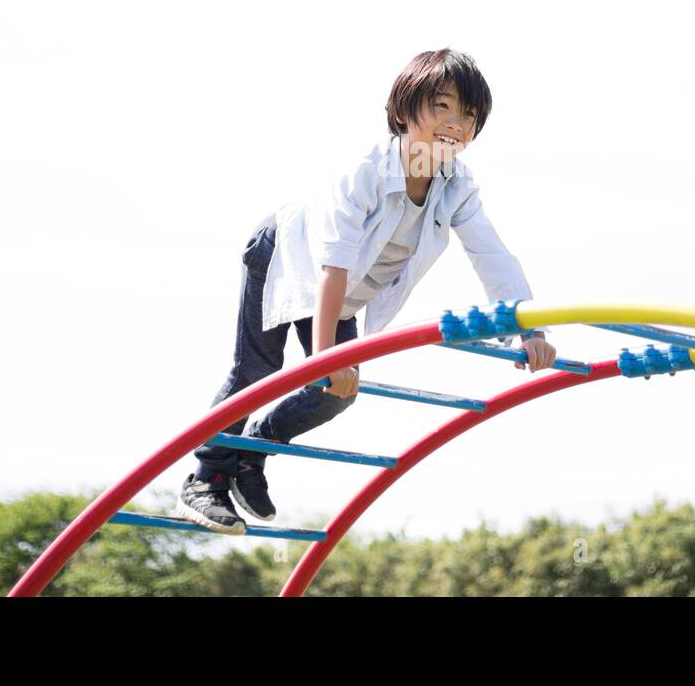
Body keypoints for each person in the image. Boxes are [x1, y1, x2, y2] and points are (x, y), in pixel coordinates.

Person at [175, 48, 557, 534]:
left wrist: (527, 330)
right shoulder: (366, 172)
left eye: (469, 116)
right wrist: (325, 359)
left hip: (344, 292)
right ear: (403, 110)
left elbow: (493, 257)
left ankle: (254, 450)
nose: (456, 124)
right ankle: (205, 478)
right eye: (442, 107)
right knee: (259, 370)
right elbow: (331, 263)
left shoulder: (456, 184)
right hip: (287, 259)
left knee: (336, 395)